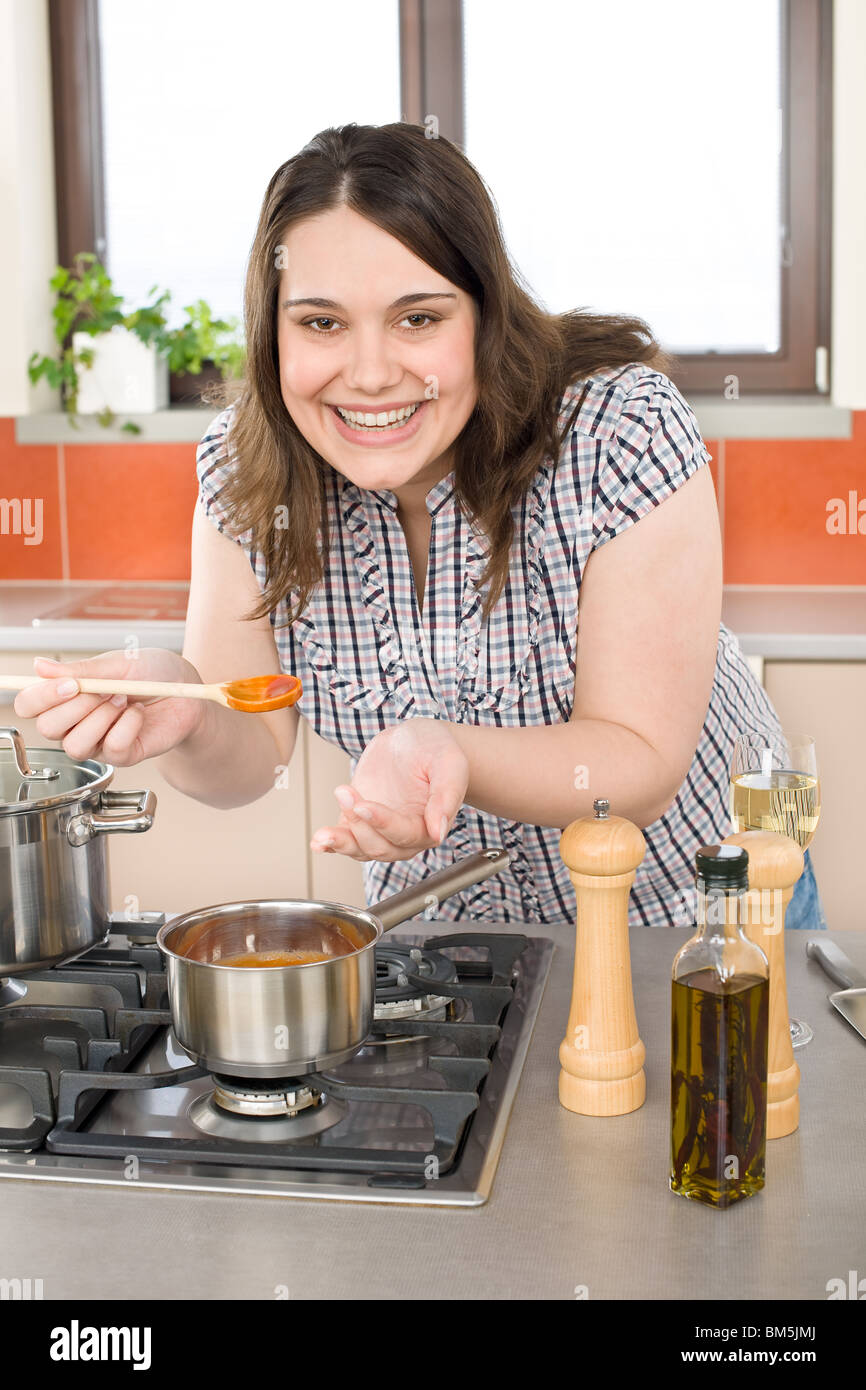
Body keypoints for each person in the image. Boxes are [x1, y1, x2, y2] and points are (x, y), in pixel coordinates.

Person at [15, 122, 826, 929]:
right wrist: (189, 710)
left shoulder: (617, 429)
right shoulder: (243, 468)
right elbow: (251, 758)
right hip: (460, 939)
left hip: (701, 921)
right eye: (322, 323)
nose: (369, 375)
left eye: (418, 319)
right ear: (273, 332)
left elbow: (636, 761)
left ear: (484, 314)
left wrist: (452, 752)